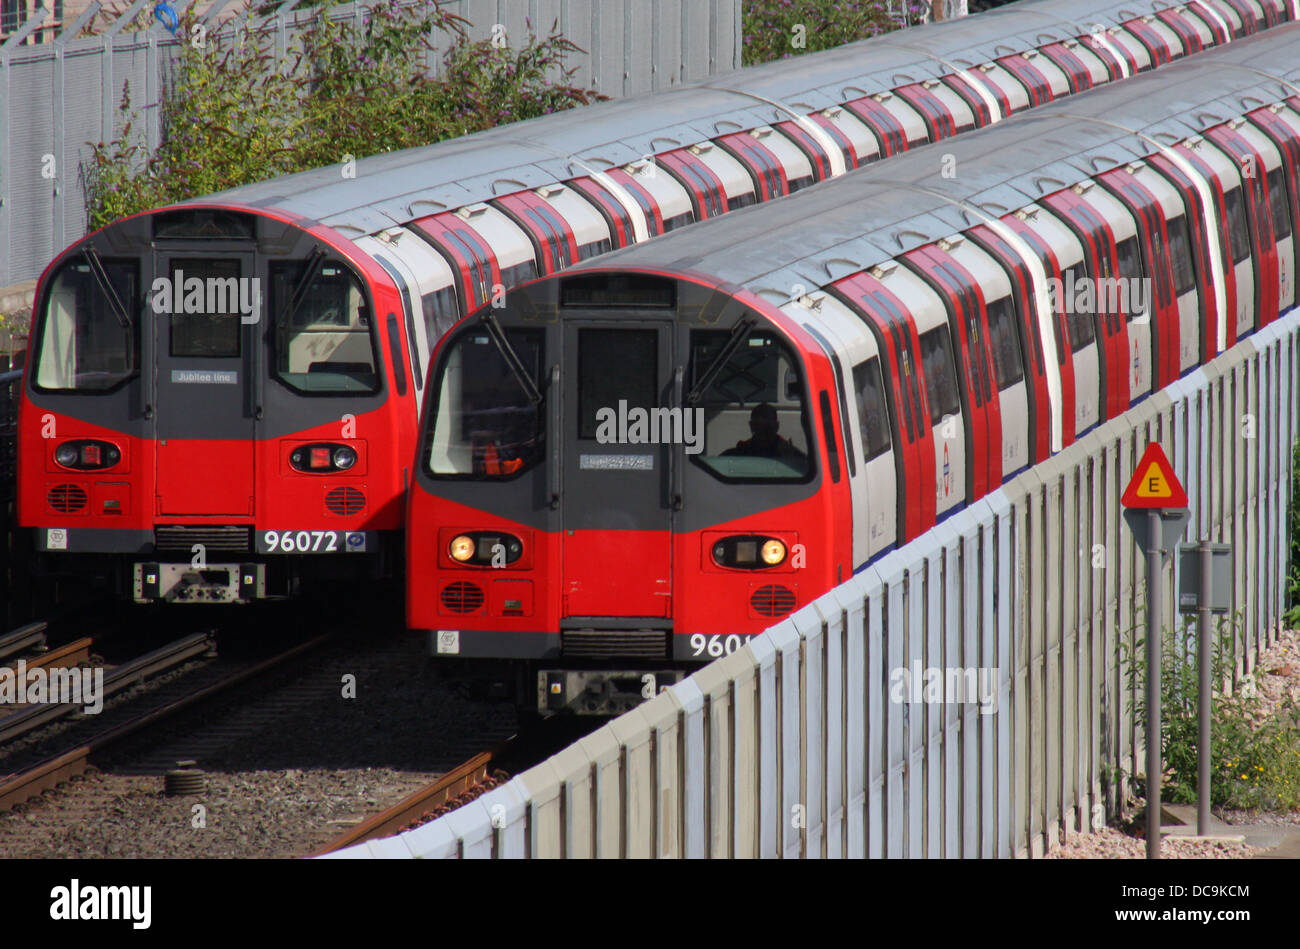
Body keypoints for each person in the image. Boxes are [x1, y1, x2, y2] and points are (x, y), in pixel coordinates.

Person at [722, 403, 805, 461]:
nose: (763, 431)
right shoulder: (738, 453)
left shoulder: (792, 455)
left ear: (776, 426)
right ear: (751, 426)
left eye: (768, 427)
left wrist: (791, 458)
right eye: (759, 426)